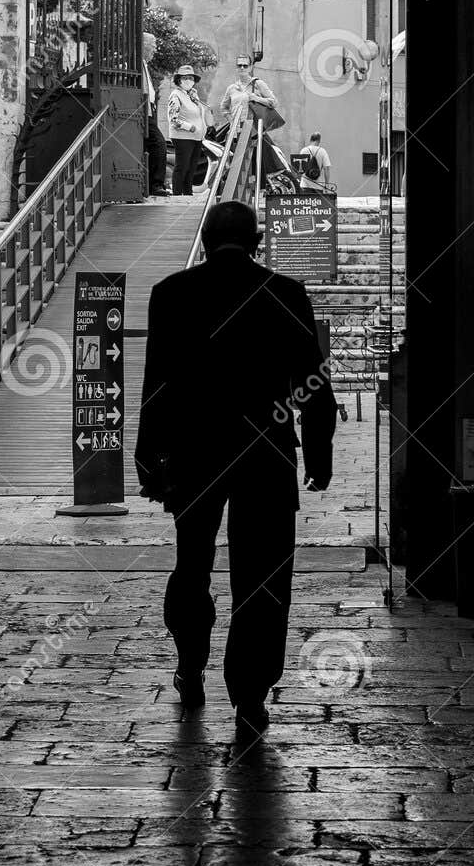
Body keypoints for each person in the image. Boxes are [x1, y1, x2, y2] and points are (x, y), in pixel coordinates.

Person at [135, 200, 336, 745]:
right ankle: (249, 696)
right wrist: (319, 455)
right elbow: (311, 385)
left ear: (204, 243)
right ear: (258, 242)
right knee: (264, 579)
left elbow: (159, 383)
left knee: (192, 563)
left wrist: (148, 453)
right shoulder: (286, 294)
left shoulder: (171, 294)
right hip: (266, 454)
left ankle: (190, 665)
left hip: (195, 455)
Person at [166, 64, 209, 196]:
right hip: (182, 136)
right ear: (179, 80)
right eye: (185, 78)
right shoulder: (176, 95)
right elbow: (173, 119)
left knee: (191, 169)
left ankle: (188, 193)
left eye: (191, 78)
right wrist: (190, 127)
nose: (188, 80)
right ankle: (177, 195)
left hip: (196, 137)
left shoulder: (191, 96)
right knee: (182, 167)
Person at [141, 31, 168, 196]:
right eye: (153, 45)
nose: (155, 49)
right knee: (159, 144)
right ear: (143, 46)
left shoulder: (144, 64)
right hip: (143, 110)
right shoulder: (137, 62)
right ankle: (155, 185)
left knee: (152, 145)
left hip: (149, 110)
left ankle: (151, 184)